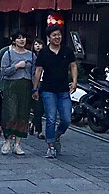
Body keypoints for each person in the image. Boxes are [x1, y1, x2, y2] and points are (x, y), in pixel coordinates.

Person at [33, 26, 78, 159]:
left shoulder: (67, 51)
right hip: (48, 89)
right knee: (51, 118)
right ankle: (50, 146)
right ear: (49, 37)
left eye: (59, 35)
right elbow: (38, 70)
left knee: (66, 119)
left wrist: (74, 81)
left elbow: (73, 65)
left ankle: (57, 135)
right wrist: (35, 88)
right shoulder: (44, 52)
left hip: (64, 89)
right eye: (54, 35)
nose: (57, 37)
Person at [0, 30, 35, 156]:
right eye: (18, 38)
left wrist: (35, 89)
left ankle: (18, 143)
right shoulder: (7, 54)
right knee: (11, 113)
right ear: (13, 40)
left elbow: (35, 73)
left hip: (26, 86)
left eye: (23, 37)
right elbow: (3, 72)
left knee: (23, 114)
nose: (22, 40)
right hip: (11, 86)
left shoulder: (31, 55)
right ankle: (7, 140)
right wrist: (17, 66)